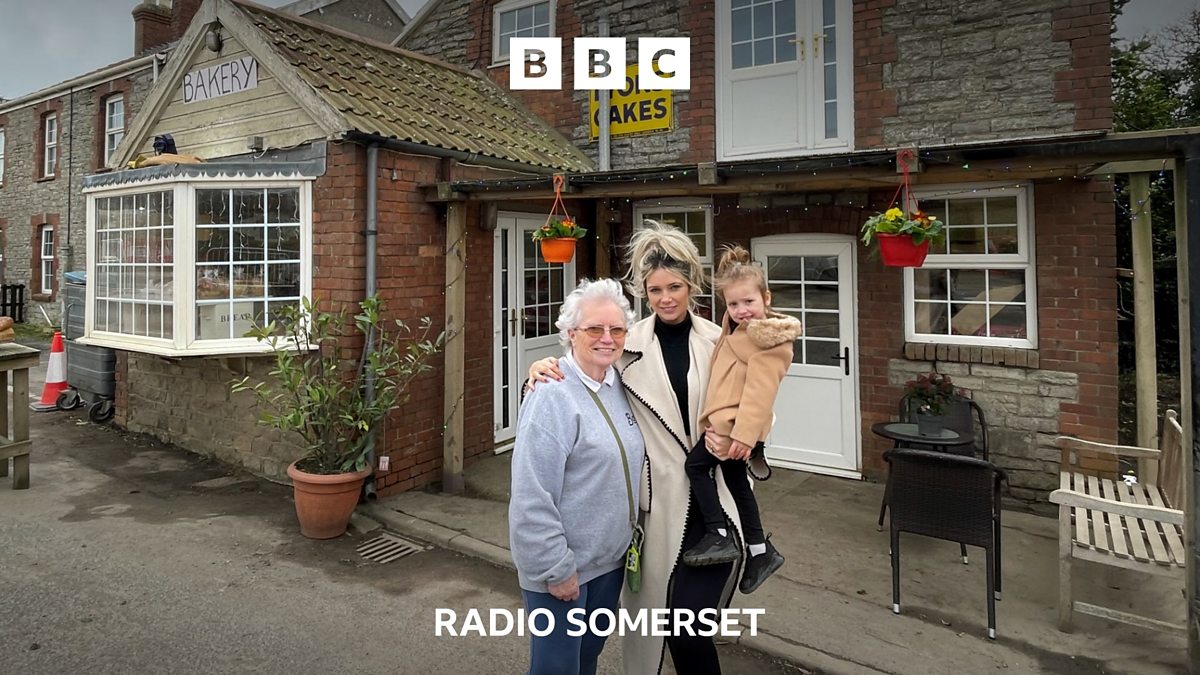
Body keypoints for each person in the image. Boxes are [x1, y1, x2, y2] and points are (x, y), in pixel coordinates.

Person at [528, 221, 742, 675]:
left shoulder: (720, 340)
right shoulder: (626, 343)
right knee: (652, 635)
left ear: (692, 285)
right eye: (655, 289)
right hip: (657, 512)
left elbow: (758, 396)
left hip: (714, 507)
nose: (665, 298)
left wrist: (745, 435)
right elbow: (585, 361)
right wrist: (541, 367)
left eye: (675, 287)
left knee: (690, 630)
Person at [509, 278, 645, 675]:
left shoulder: (622, 383)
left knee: (586, 662)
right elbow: (531, 493)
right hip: (563, 569)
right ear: (570, 334)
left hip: (610, 563)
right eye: (594, 329)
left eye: (616, 329)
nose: (607, 338)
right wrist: (556, 567)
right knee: (557, 669)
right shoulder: (551, 393)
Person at [680, 245, 799, 594]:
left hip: (733, 428)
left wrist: (744, 438)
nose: (741, 310)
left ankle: (717, 533)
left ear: (766, 298)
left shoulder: (768, 341)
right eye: (733, 304)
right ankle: (760, 550)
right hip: (727, 426)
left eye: (748, 302)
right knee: (736, 484)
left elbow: (761, 395)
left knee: (696, 468)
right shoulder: (736, 331)